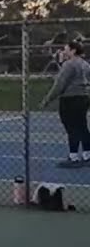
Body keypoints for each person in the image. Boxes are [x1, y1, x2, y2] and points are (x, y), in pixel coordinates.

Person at [41, 37, 90, 168]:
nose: (63, 51)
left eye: (66, 49)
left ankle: (73, 156)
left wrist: (48, 99)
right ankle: (87, 154)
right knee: (82, 126)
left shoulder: (70, 64)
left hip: (70, 98)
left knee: (71, 127)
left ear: (73, 50)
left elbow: (60, 84)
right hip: (83, 97)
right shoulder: (85, 64)